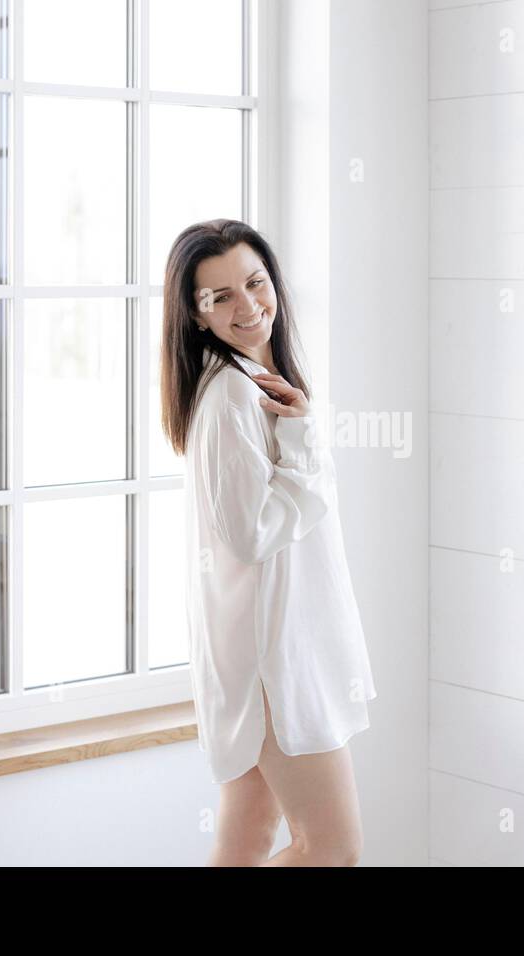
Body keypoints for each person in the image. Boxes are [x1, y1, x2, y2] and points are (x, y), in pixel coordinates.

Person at [158, 218, 377, 866]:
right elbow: (253, 535)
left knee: (248, 838)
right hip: (274, 660)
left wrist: (300, 433)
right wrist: (305, 440)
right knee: (332, 848)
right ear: (194, 315)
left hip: (264, 648)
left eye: (255, 283)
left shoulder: (249, 381)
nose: (249, 306)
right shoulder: (231, 395)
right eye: (220, 296)